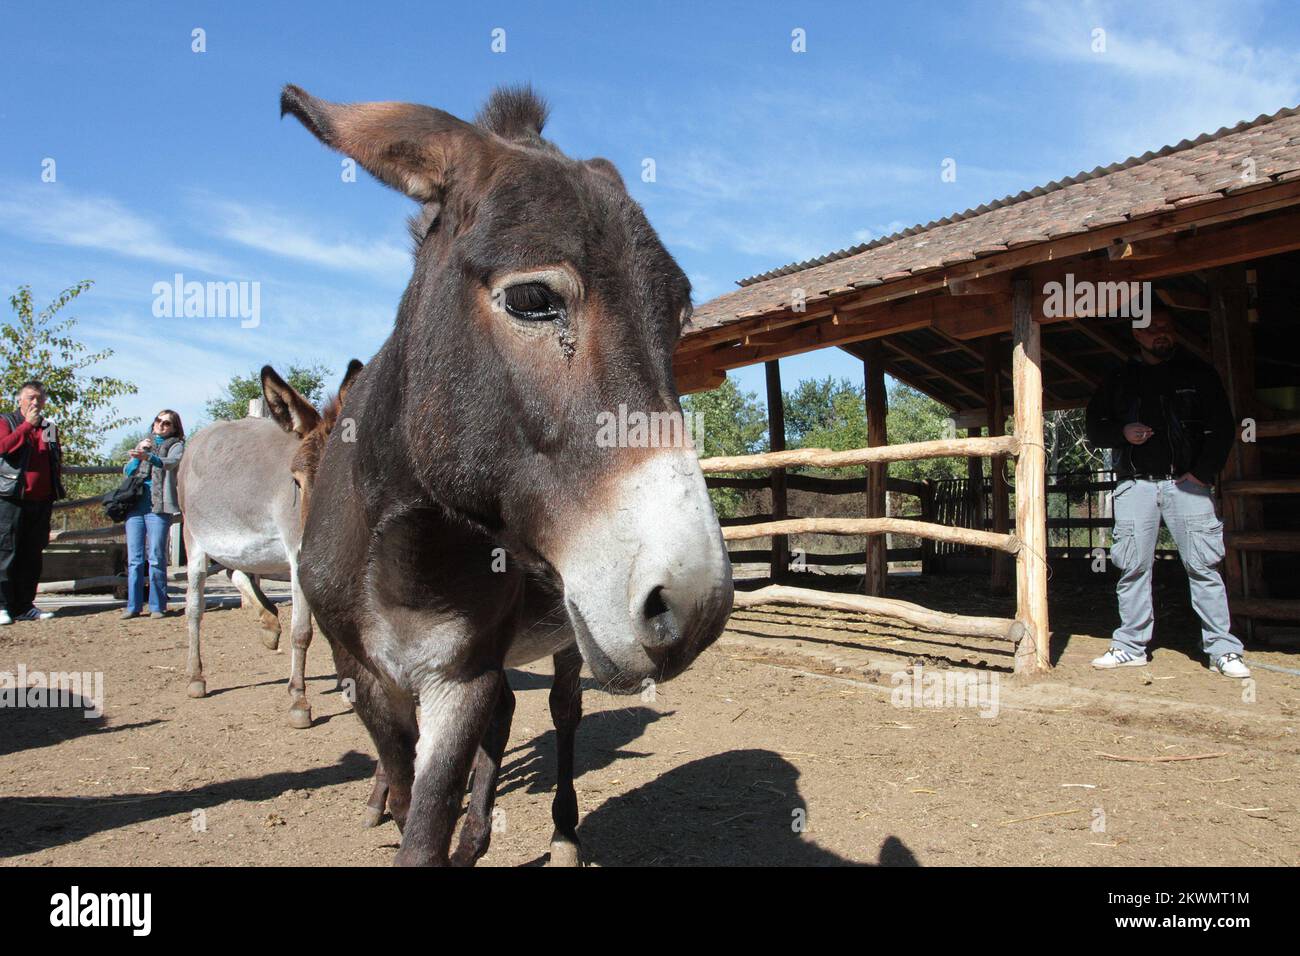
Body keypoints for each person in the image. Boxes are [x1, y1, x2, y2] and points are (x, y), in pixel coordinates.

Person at [1085, 307, 1249, 678]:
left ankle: (1223, 649)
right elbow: (1095, 427)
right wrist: (1122, 433)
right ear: (1137, 335)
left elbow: (1222, 427)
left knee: (1203, 566)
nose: (1162, 333)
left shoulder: (1198, 373)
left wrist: (1201, 475)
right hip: (1135, 484)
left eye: (1167, 328)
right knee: (1132, 567)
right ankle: (1130, 646)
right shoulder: (1119, 378)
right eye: (1153, 328)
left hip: (1186, 486)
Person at [0, 381, 66, 624]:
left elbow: (54, 456)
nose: (35, 402)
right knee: (6, 553)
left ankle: (25, 605)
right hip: (11, 498)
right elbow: (3, 448)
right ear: (20, 400)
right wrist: (27, 426)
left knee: (32, 555)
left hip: (41, 501)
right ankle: (2, 606)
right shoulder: (7, 421)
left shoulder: (49, 426)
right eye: (30, 398)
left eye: (39, 398)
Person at [122, 410, 185, 620]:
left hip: (159, 507)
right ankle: (133, 605)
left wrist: (149, 456)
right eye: (159, 421)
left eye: (167, 423)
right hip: (135, 507)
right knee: (135, 560)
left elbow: (170, 463)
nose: (161, 425)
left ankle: (158, 605)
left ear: (174, 427)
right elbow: (128, 472)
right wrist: (139, 456)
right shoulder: (144, 442)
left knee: (157, 558)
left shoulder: (176, 445)